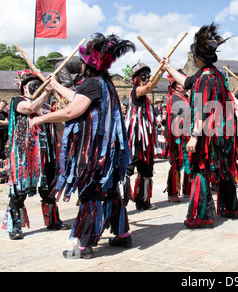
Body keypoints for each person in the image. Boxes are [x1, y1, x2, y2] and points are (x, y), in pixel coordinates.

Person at [30, 33, 136, 258]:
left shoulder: (91, 83)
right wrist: (57, 86)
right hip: (105, 155)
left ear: (87, 64)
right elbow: (78, 98)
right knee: (109, 192)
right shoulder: (104, 83)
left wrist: (40, 118)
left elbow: (72, 110)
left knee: (90, 194)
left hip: (94, 153)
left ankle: (84, 246)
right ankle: (123, 235)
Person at [162, 22, 238, 227]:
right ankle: (231, 208)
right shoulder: (214, 74)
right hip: (223, 133)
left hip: (208, 134)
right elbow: (187, 82)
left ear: (197, 58)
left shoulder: (205, 78)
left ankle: (202, 216)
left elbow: (203, 108)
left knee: (200, 169)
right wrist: (168, 67)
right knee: (223, 169)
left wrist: (195, 136)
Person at [3, 73, 69, 240]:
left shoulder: (45, 107)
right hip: (25, 155)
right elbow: (30, 109)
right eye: (33, 85)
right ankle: (15, 226)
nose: (36, 87)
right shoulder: (18, 101)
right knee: (19, 191)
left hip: (47, 154)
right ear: (24, 87)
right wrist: (46, 92)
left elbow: (56, 124)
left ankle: (53, 221)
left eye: (38, 85)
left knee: (49, 190)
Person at [124, 61, 162, 210]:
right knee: (129, 167)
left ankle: (142, 200)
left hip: (146, 140)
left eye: (148, 75)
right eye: (143, 76)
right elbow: (149, 87)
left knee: (146, 170)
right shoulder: (136, 92)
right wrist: (161, 73)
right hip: (135, 139)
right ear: (136, 79)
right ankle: (121, 201)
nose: (146, 78)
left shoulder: (147, 99)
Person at [166, 69, 190, 203]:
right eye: (181, 82)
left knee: (187, 160)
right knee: (176, 161)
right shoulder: (174, 96)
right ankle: (172, 192)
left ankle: (187, 190)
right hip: (177, 136)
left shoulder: (184, 97)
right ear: (176, 85)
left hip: (185, 134)